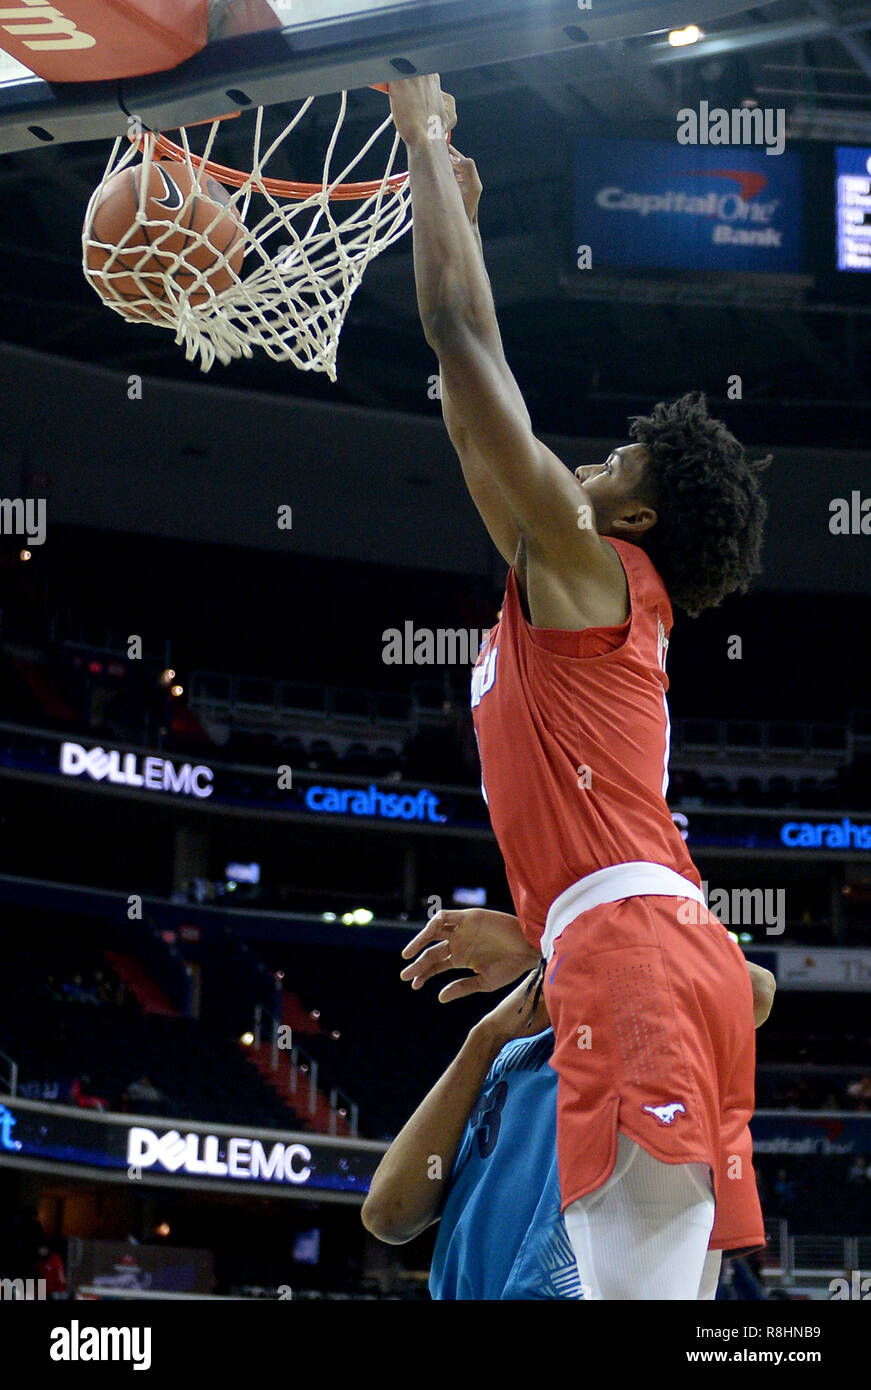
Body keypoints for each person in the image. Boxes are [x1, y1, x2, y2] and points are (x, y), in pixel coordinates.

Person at [388, 75, 770, 1299]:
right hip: (647, 953)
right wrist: (557, 931)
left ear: (638, 515)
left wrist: (426, 142)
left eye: (612, 460)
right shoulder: (564, 590)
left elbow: (462, 339)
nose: (585, 461)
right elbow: (465, 408)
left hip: (643, 966)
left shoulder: (596, 571)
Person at [365, 911, 775, 1300]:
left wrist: (540, 943)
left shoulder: (653, 1041)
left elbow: (756, 988)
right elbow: (388, 1214)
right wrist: (484, 1038)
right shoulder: (505, 1052)